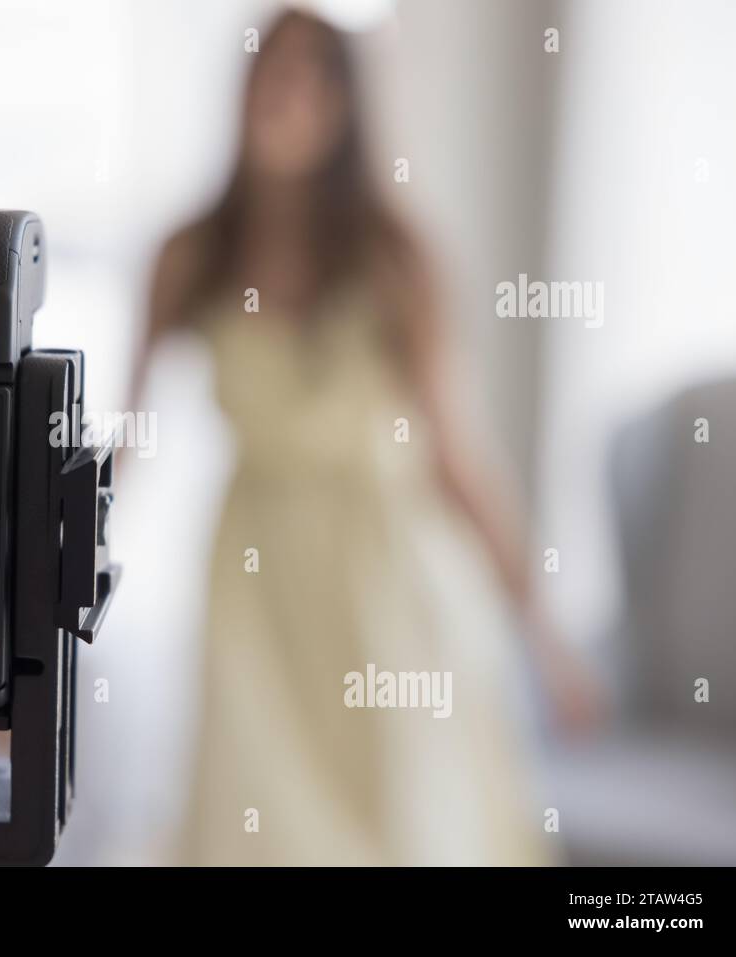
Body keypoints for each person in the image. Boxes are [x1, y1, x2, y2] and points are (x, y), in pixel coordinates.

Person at [134, 9, 598, 865]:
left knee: (400, 821)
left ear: (348, 103)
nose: (290, 98)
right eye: (274, 74)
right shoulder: (190, 254)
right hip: (254, 582)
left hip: (381, 580)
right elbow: (124, 448)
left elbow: (458, 454)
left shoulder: (395, 256)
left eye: (314, 78)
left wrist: (545, 637)